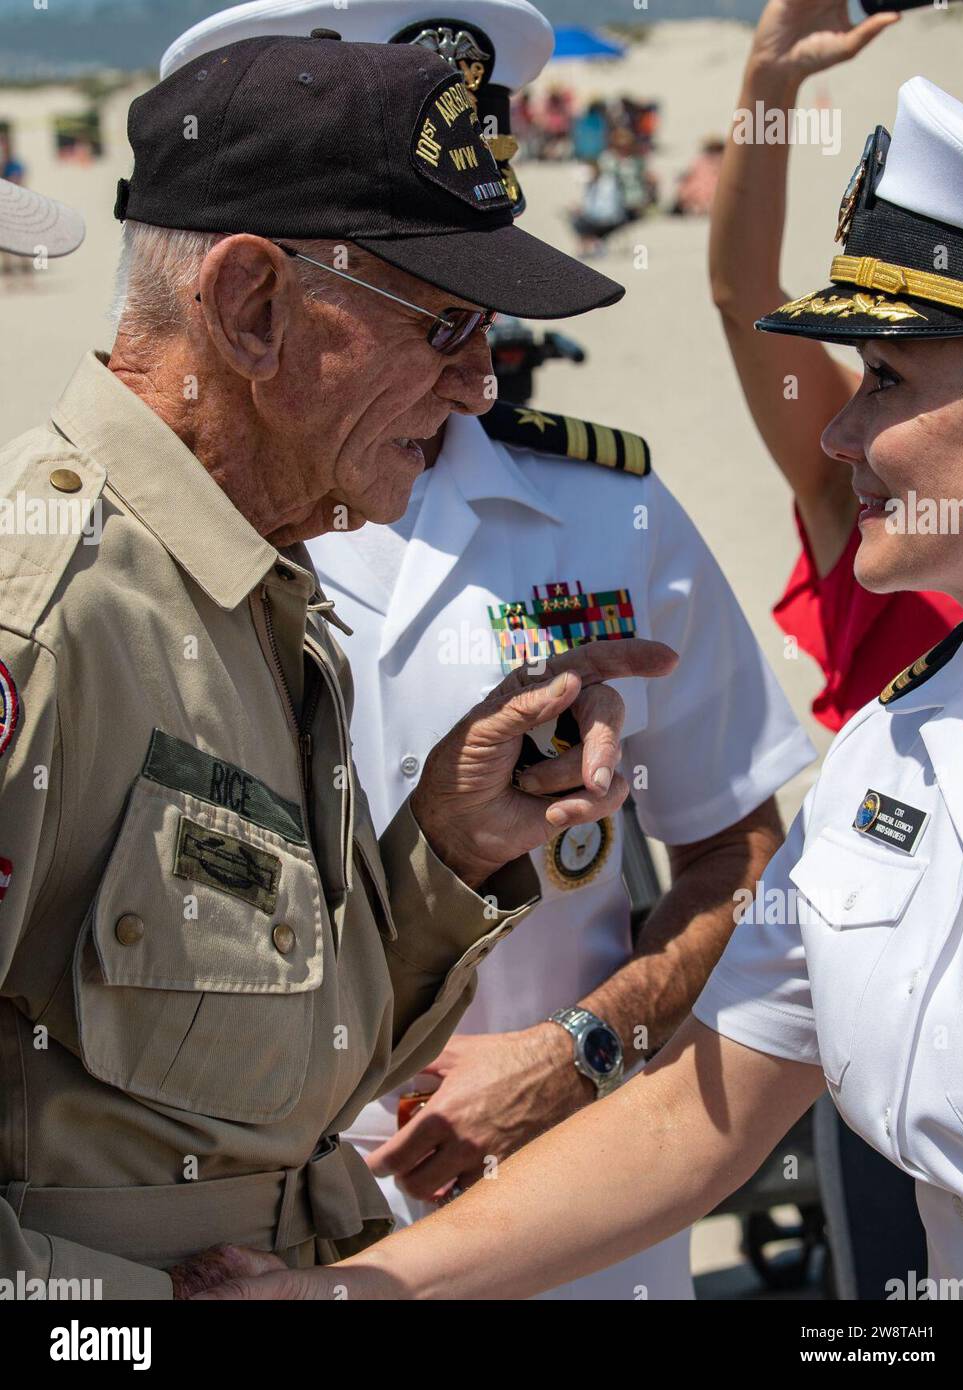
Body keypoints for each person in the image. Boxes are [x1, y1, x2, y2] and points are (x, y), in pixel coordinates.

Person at [199, 75, 963, 1302]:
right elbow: (694, 1116)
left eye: (883, 378)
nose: (833, 433)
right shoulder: (894, 758)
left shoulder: (612, 516)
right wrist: (347, 1293)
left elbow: (724, 854)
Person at [0, 32, 677, 1301]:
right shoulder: (43, 612)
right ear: (253, 308)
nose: (482, 384)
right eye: (449, 323)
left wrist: (445, 852)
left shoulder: (246, 578)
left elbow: (264, 1068)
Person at [709, 0, 963, 734]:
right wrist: (769, 83)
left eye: (885, 377)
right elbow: (742, 298)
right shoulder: (883, 559)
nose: (836, 435)